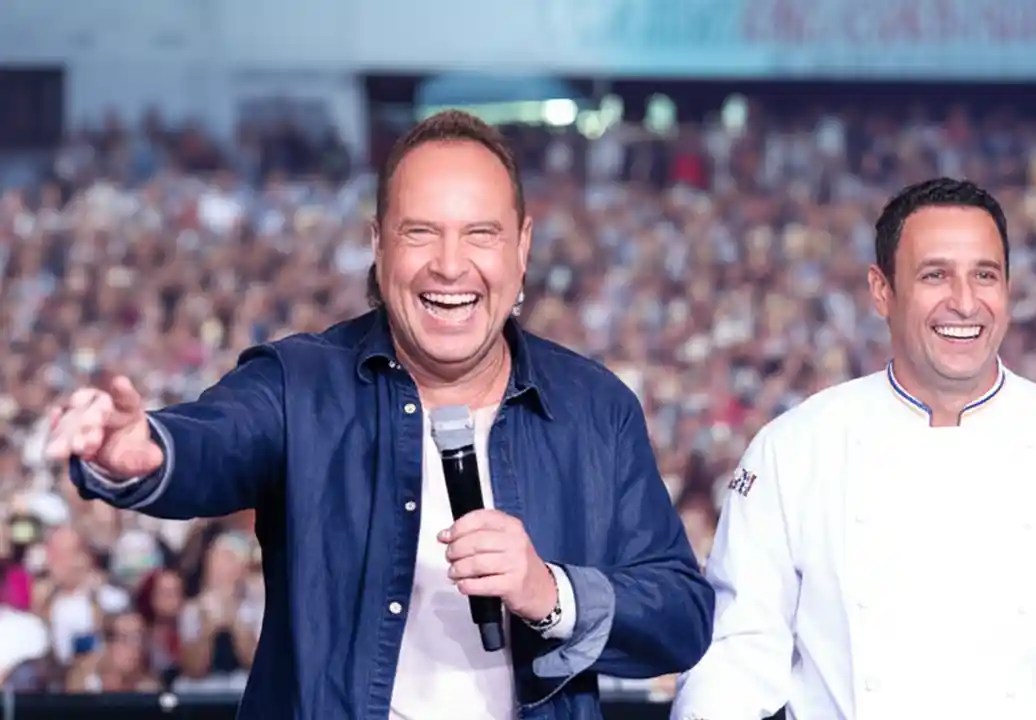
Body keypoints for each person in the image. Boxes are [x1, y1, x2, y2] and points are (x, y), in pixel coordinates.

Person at [44, 109, 714, 719]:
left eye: (480, 234)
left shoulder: (596, 411)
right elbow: (216, 442)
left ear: (522, 248)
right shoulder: (300, 384)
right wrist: (147, 451)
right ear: (380, 244)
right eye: (420, 233)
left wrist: (552, 593)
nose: (450, 266)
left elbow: (682, 615)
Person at [670, 177, 1036, 719]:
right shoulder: (795, 450)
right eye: (935, 275)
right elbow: (736, 656)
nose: (965, 302)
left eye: (985, 275)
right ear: (882, 290)